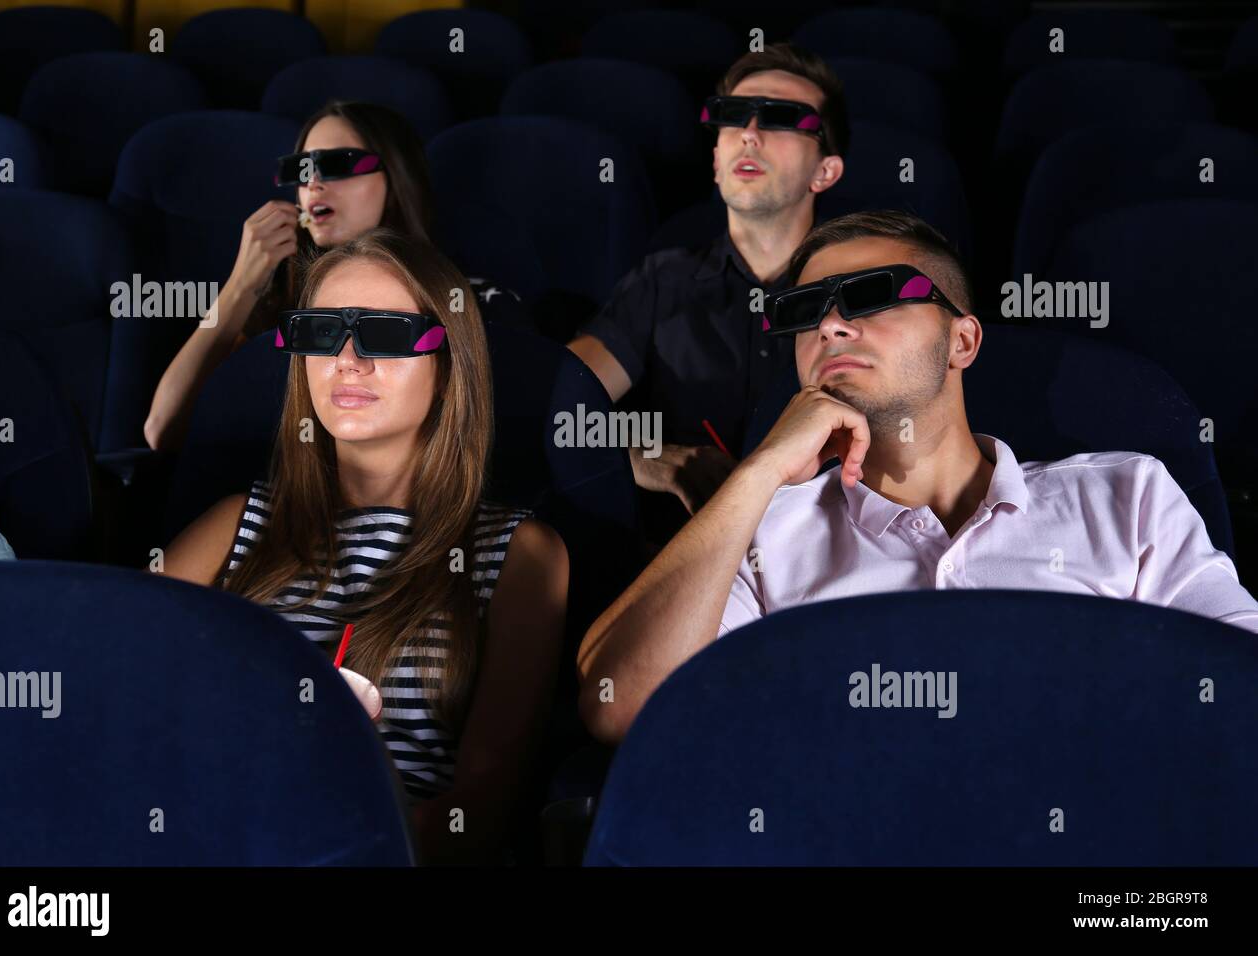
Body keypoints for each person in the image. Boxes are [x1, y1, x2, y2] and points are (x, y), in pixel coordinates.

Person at [577, 210, 1258, 744]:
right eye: (804, 310)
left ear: (962, 340)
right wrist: (757, 473)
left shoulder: (1126, 497)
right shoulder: (768, 532)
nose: (832, 325)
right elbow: (623, 706)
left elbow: (1237, 684)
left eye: (870, 296)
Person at [160, 229, 568, 864]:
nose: (347, 359)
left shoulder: (520, 552)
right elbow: (122, 680)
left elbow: (481, 809)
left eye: (383, 333)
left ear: (448, 357)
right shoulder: (238, 522)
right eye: (321, 332)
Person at [568, 43, 848, 537]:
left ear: (825, 171)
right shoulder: (661, 281)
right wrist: (643, 457)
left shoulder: (863, 292)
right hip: (679, 552)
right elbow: (558, 407)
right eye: (732, 116)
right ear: (716, 161)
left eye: (783, 118)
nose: (750, 133)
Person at [144, 100, 520, 453]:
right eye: (300, 169)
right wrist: (241, 283)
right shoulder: (281, 299)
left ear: (396, 176)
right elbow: (163, 429)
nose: (313, 183)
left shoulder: (466, 299)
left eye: (338, 164)